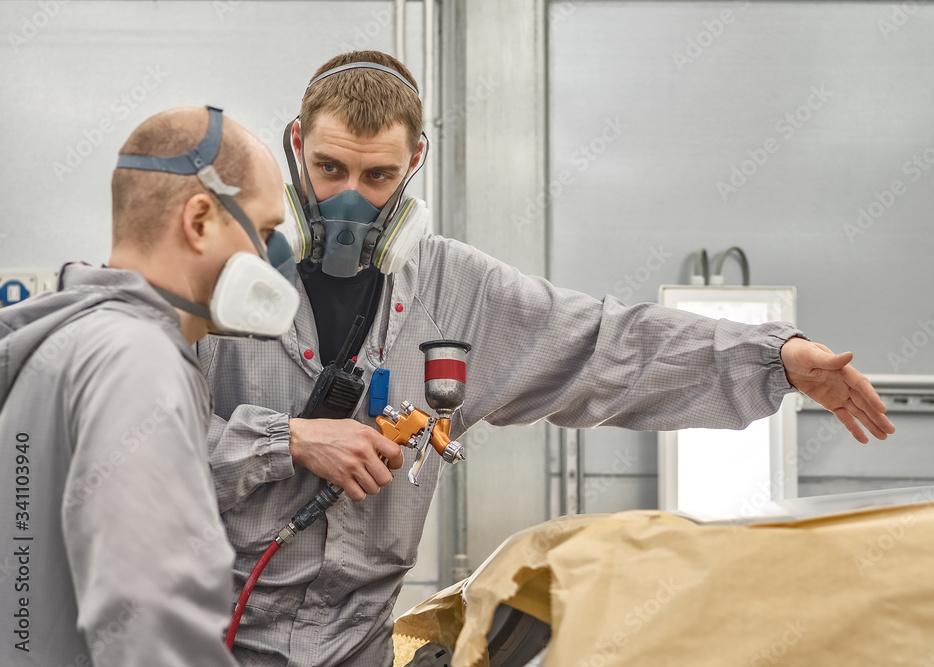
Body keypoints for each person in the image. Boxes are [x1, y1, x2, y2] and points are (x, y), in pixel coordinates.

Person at [199, 51, 895, 666]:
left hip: (357, 647)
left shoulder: (456, 293)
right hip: (204, 638)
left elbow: (609, 346)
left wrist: (772, 357)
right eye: (329, 168)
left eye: (379, 175)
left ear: (415, 162)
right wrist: (285, 439)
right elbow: (131, 440)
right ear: (296, 146)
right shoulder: (215, 276)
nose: (349, 197)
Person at [0, 105, 299, 666]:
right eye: (263, 230)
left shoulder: (61, 342)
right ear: (200, 219)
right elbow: (151, 621)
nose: (271, 259)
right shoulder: (138, 360)